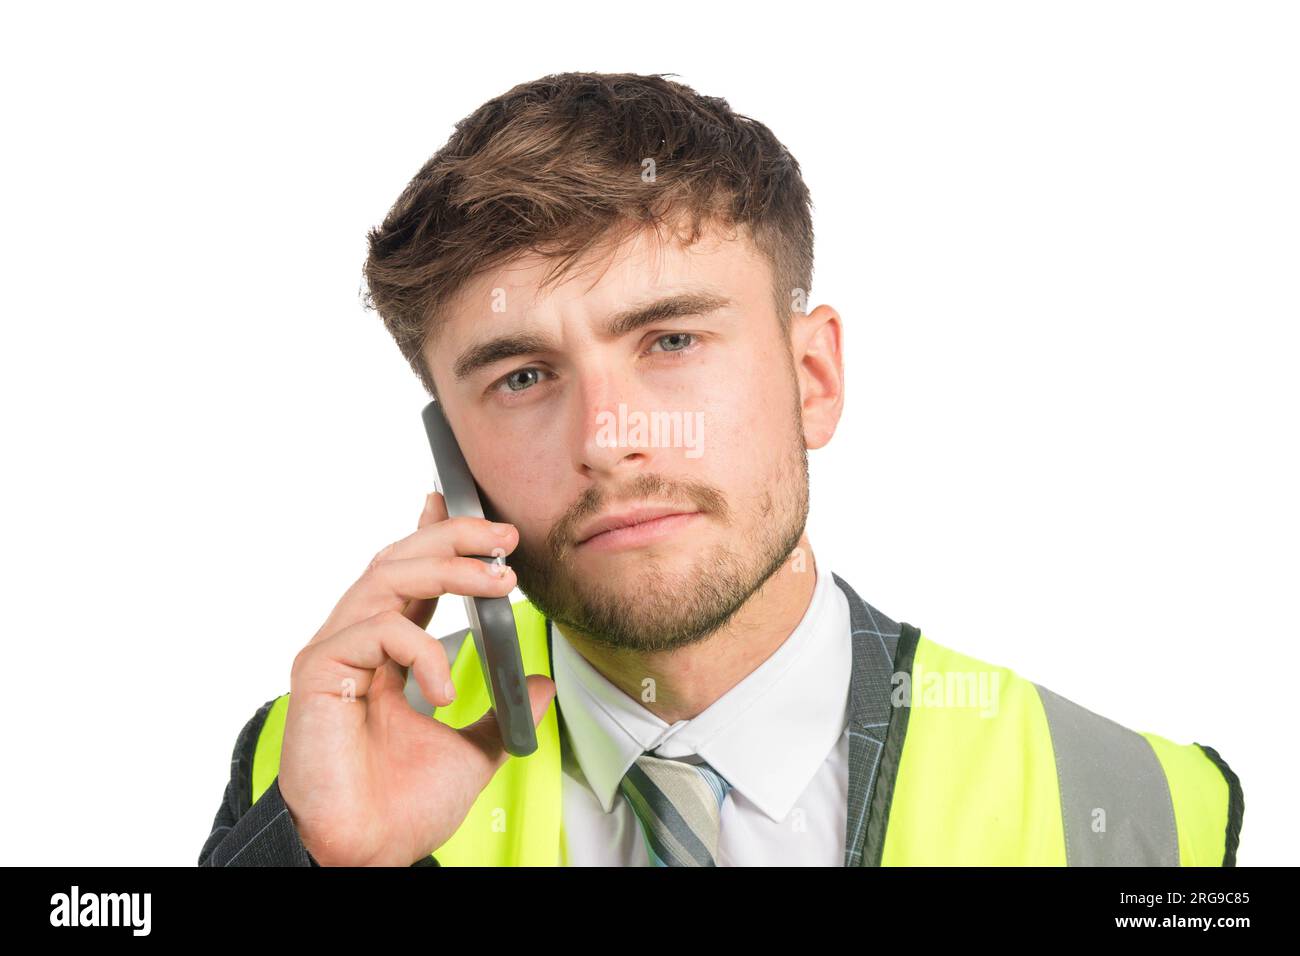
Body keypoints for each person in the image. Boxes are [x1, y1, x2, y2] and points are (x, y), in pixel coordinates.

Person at [199, 71, 1242, 867]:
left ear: (813, 377)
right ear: (454, 457)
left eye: (670, 341)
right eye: (521, 376)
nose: (605, 437)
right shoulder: (311, 762)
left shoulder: (1135, 803)